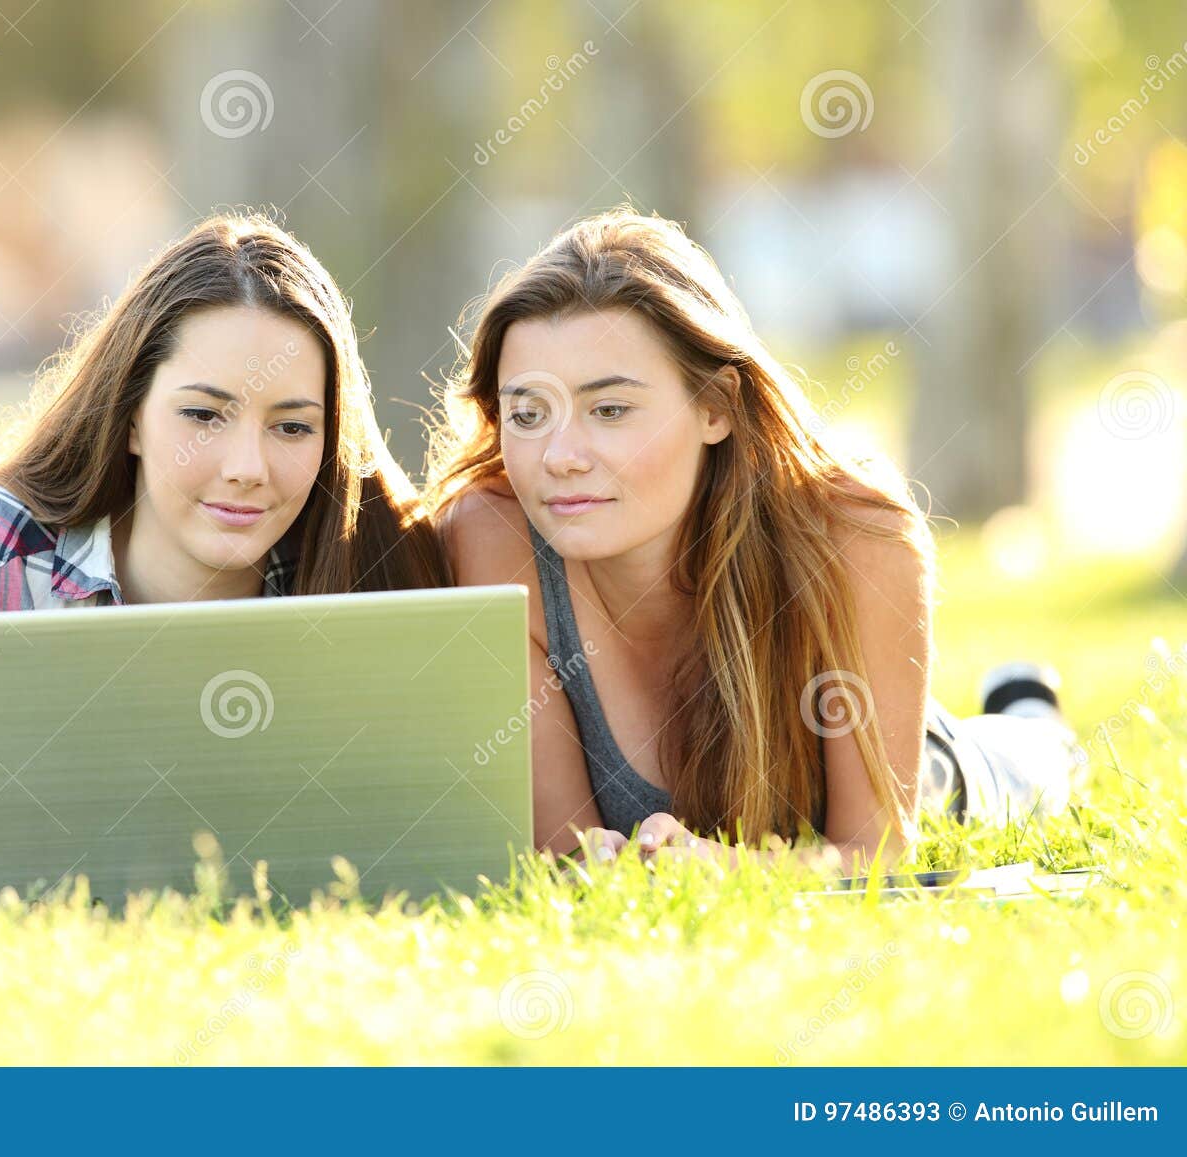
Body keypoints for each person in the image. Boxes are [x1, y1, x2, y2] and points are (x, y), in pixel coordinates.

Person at [426, 208, 1083, 874]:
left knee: (1035, 765)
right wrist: (599, 865)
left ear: (716, 406)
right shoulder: (489, 540)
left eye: (610, 409)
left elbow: (877, 853)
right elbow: (563, 857)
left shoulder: (856, 536)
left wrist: (726, 870)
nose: (560, 456)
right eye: (528, 413)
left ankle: (1030, 713)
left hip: (944, 773)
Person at [0, 212, 449, 886]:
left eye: (292, 426)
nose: (247, 467)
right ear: (133, 415)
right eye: (204, 415)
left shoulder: (371, 555)